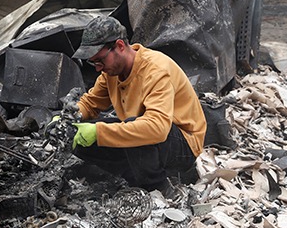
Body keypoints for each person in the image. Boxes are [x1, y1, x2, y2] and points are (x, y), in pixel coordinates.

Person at [69, 16, 206, 194]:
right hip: (147, 134)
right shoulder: (111, 73)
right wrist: (69, 118)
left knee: (137, 128)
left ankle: (159, 190)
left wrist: (99, 132)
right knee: (77, 136)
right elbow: (90, 103)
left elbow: (157, 128)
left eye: (100, 60)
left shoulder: (156, 70)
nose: (97, 68)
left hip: (183, 143)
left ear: (119, 46)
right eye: (93, 62)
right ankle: (133, 178)